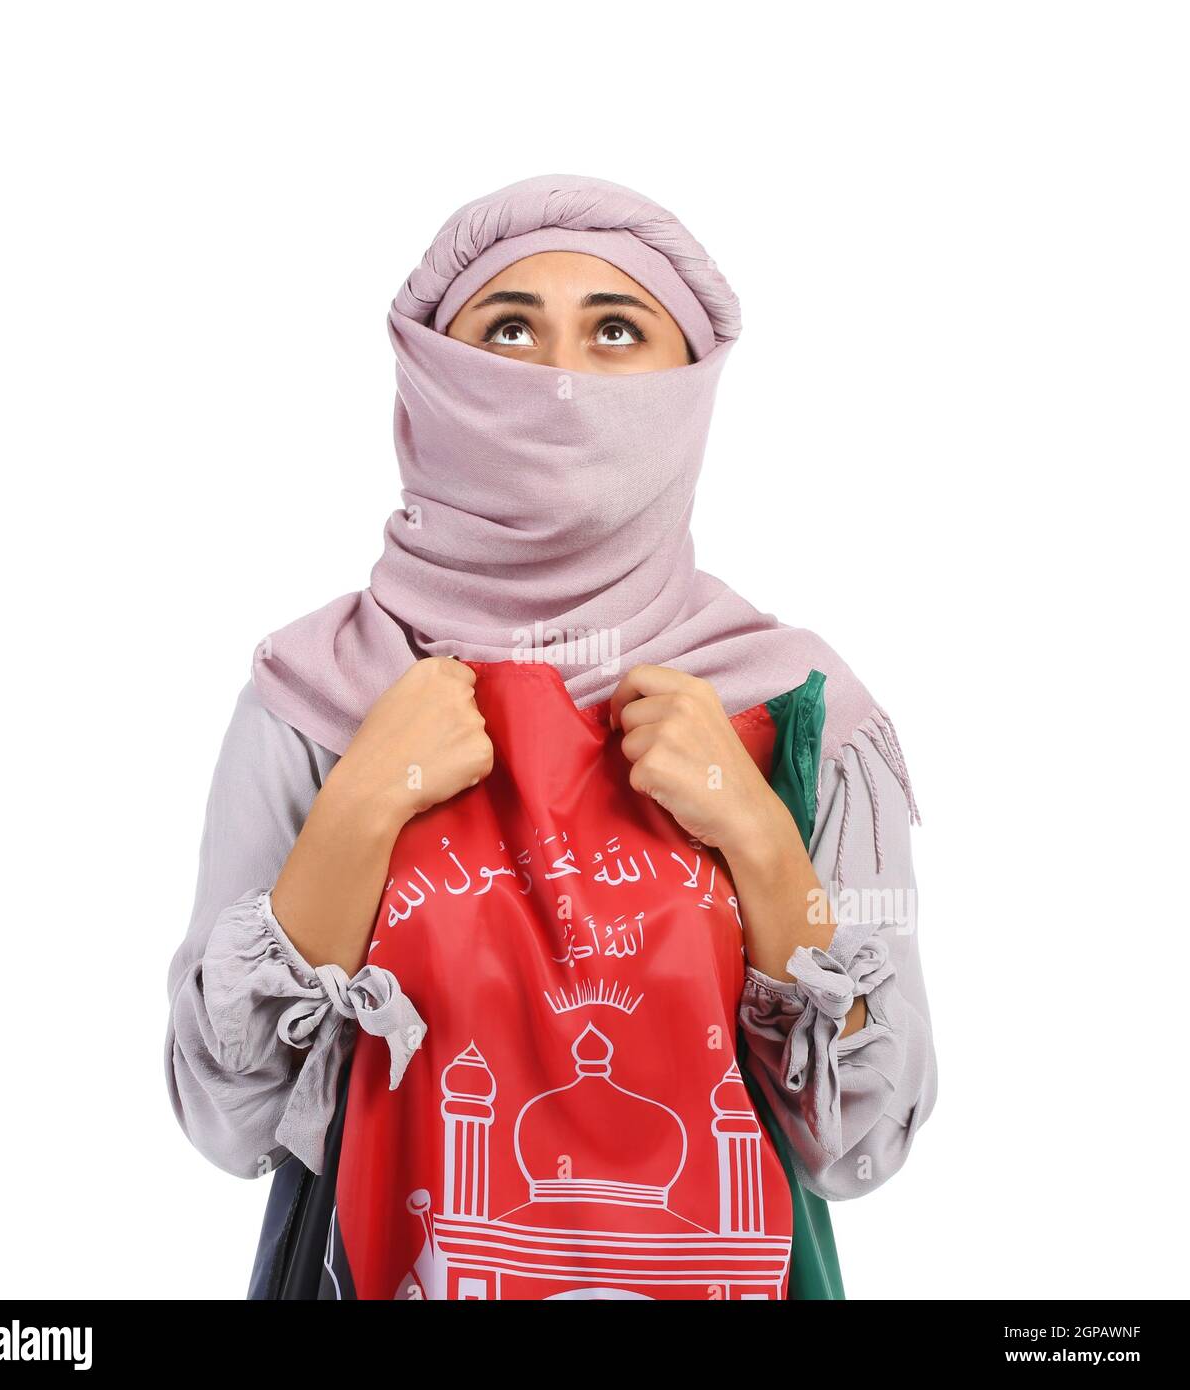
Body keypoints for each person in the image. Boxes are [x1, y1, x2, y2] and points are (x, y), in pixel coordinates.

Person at [165, 174, 936, 1298]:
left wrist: (762, 844)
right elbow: (225, 1119)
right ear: (436, 375)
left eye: (615, 330)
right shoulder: (321, 696)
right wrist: (359, 808)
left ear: (687, 383)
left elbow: (860, 1142)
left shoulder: (802, 711)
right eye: (510, 328)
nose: (560, 376)